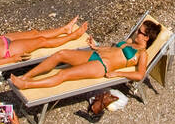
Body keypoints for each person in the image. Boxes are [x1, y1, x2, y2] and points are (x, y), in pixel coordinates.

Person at [10, 20, 162, 90]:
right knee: (60, 54)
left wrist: (117, 73)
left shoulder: (142, 54)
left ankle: (27, 85)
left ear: (146, 38)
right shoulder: (129, 41)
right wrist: (96, 47)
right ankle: (26, 76)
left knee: (64, 73)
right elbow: (113, 49)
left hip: (101, 66)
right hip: (95, 55)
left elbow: (140, 75)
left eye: (139, 32)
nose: (136, 33)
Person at [0, 13, 89, 66]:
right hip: (7, 50)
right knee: (41, 41)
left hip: (4, 39)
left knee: (34, 33)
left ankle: (64, 29)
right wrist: (13, 59)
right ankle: (73, 36)